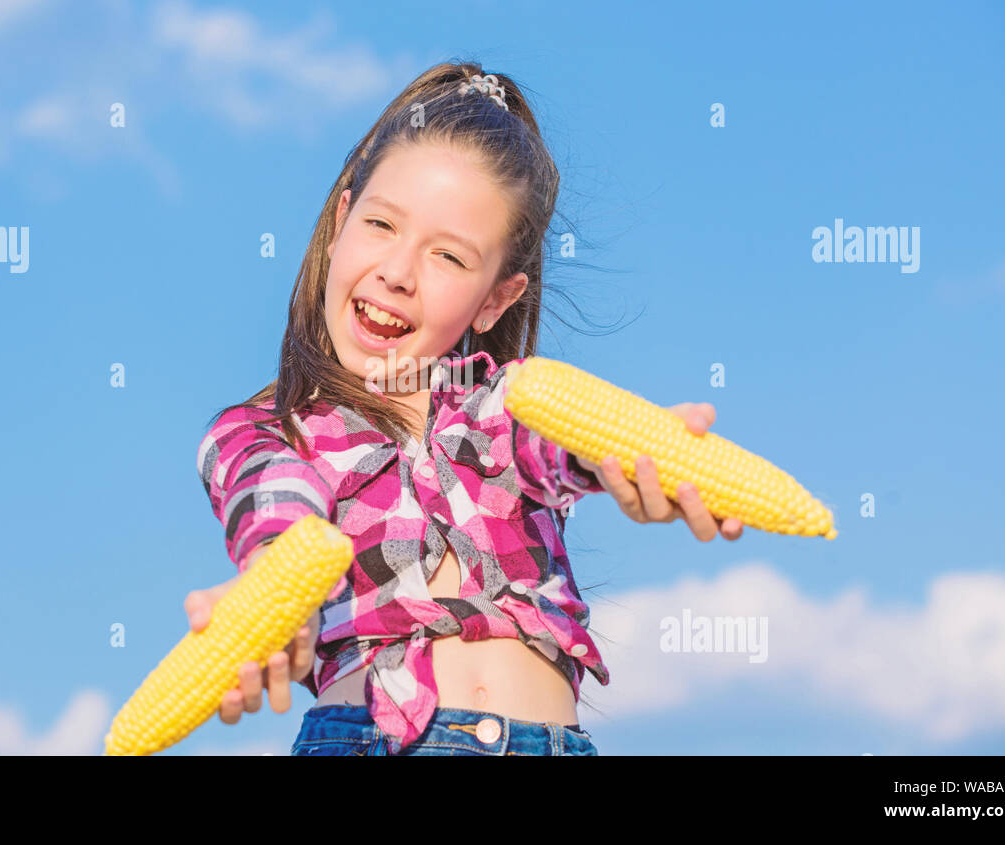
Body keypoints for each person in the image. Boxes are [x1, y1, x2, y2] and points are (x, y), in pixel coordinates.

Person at [189, 60, 743, 756]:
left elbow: (562, 445)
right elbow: (277, 514)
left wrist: (643, 455)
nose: (397, 272)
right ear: (340, 222)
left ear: (495, 300)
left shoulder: (505, 407)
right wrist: (272, 604)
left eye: (448, 257)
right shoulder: (268, 430)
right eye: (382, 224)